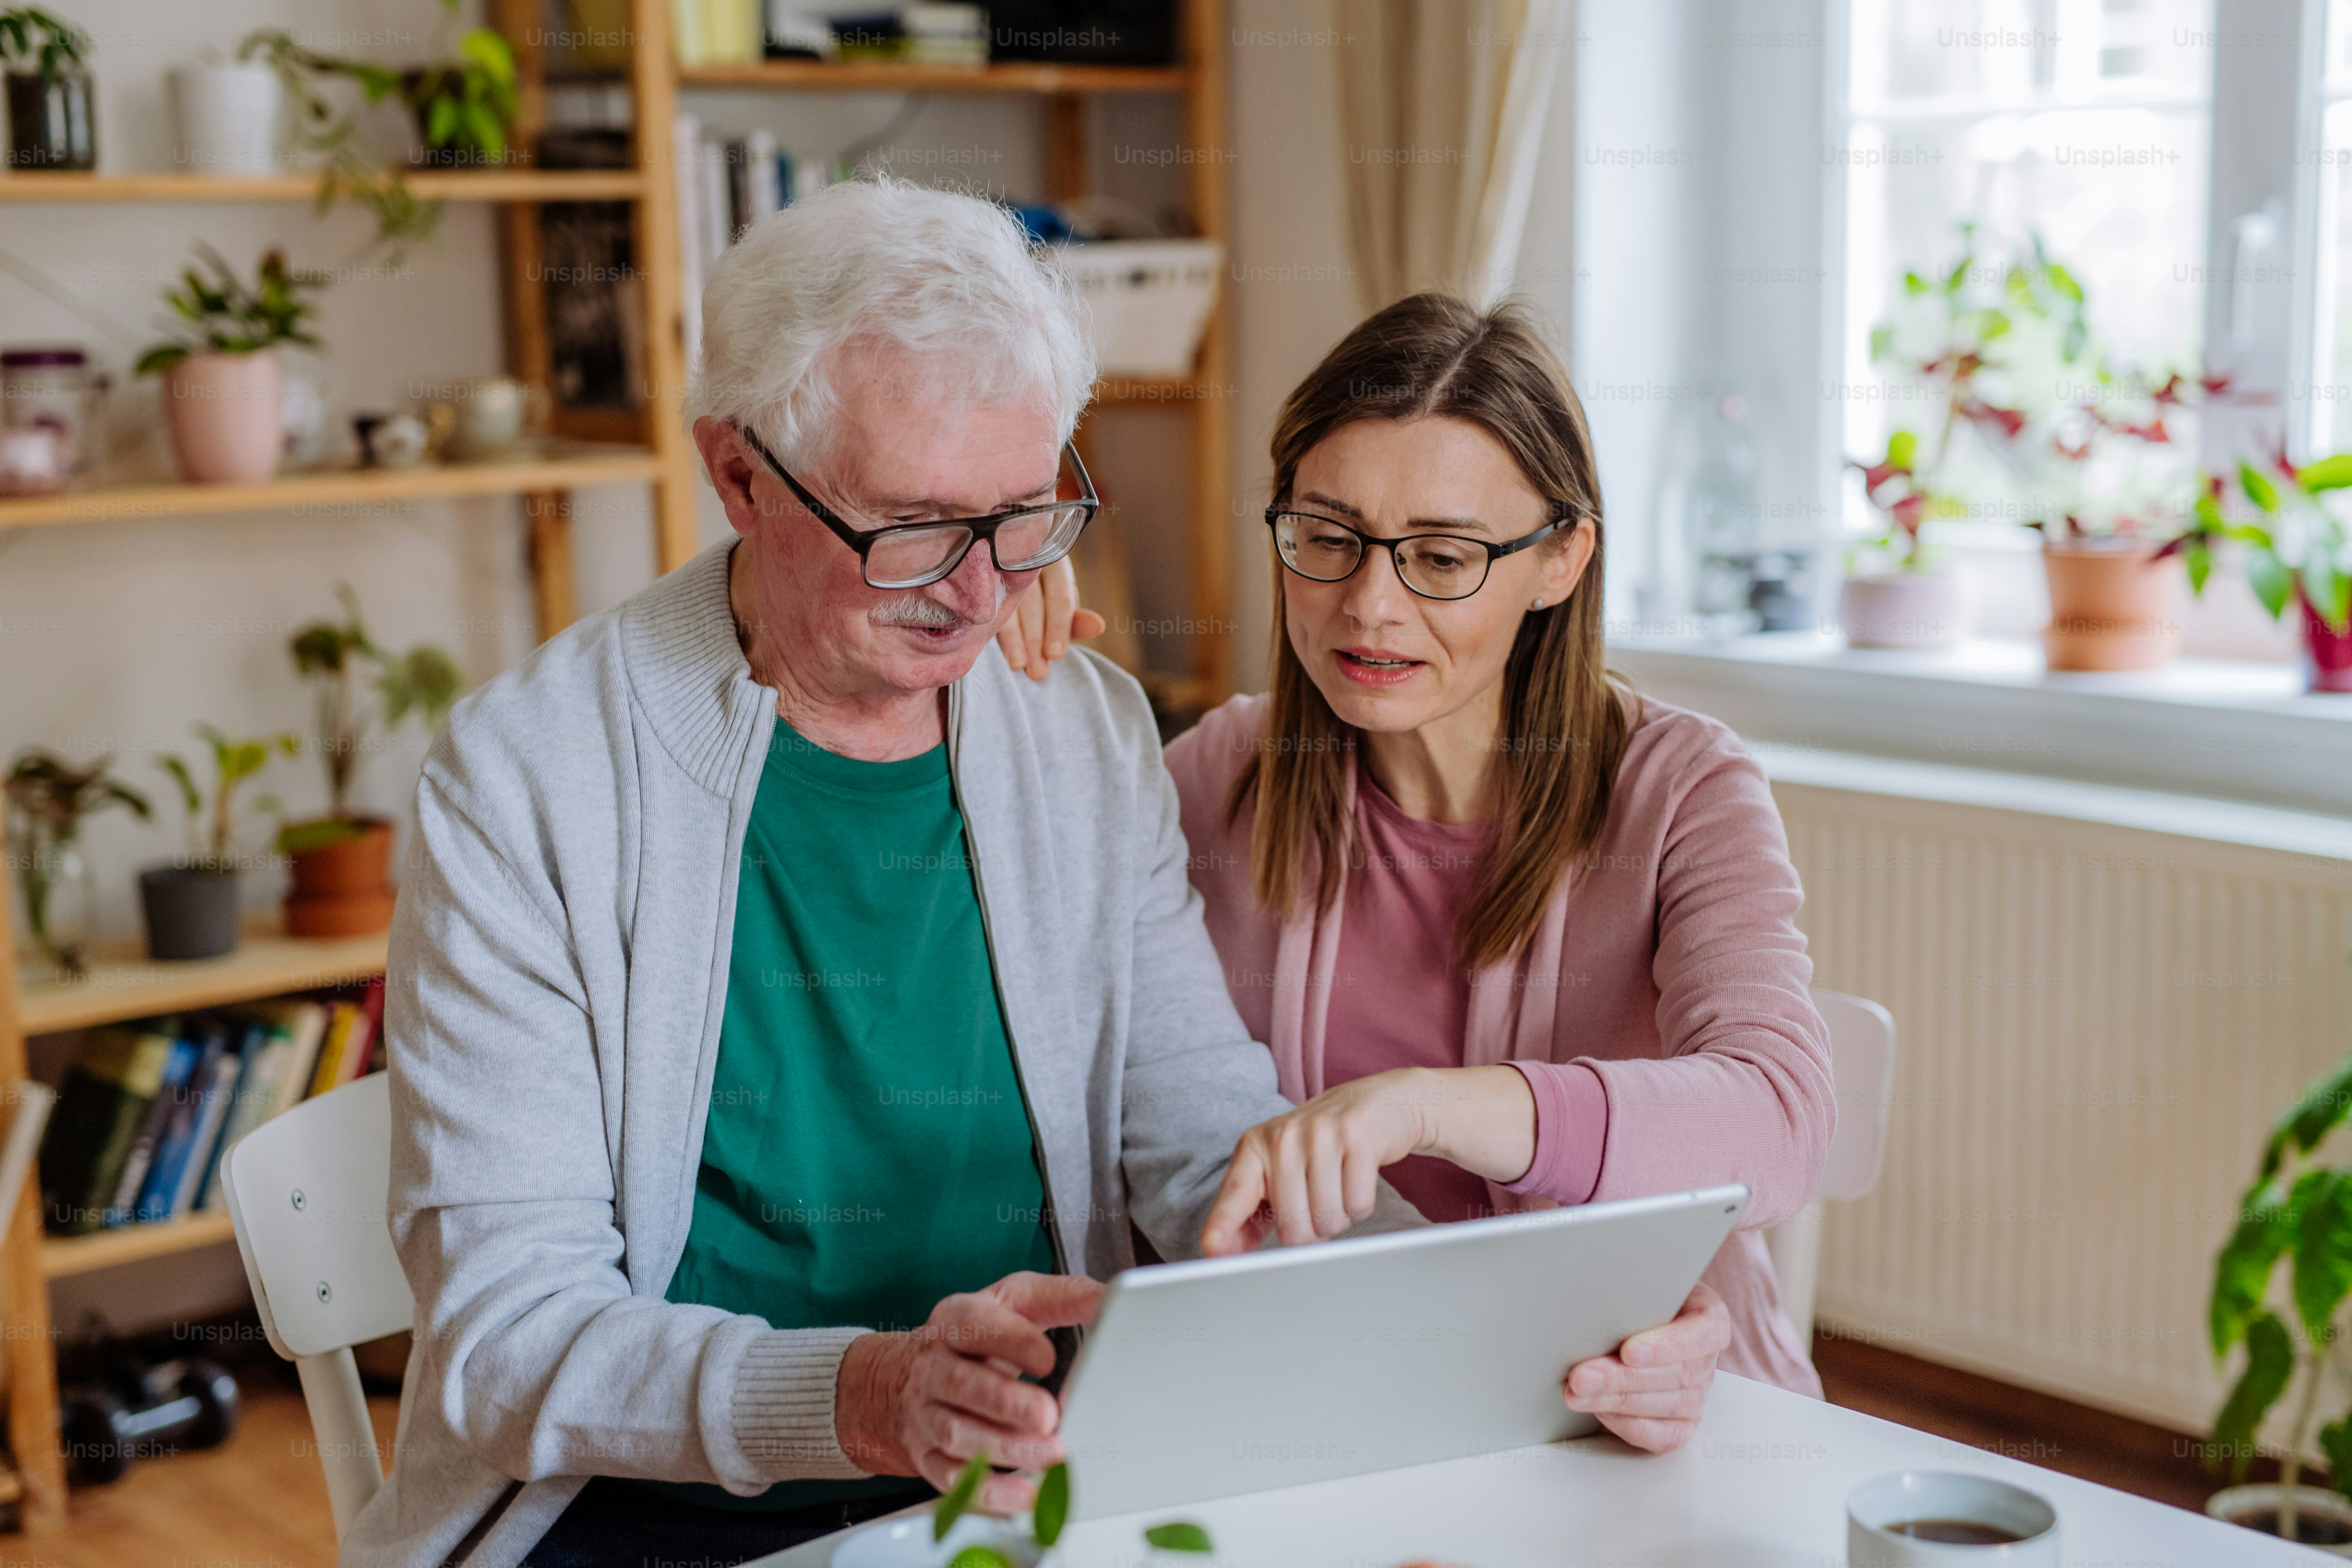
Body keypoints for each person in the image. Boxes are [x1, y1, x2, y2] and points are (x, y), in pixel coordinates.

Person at [351, 179, 1420, 1568]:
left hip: (1023, 1486)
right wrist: (860, 1397)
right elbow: (508, 1343)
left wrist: (1467, 1300)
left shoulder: (1082, 732)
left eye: (1024, 516)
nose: (982, 594)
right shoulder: (528, 776)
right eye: (914, 525)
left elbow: (1202, 1136)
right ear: (737, 474)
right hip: (645, 1516)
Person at [1159, 293, 1837, 1452]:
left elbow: (1783, 1118)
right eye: (1328, 538)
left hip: (1657, 1423)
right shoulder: (1223, 774)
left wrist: (1430, 1106)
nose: (1370, 606)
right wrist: (1010, 681)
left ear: (1560, 560)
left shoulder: (1683, 792)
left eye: (1442, 556)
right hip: (1342, 1415)